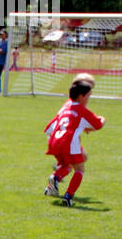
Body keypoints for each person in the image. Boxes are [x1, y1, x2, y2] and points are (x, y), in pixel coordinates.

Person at [43, 74, 104, 206]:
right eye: (89, 93)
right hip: (68, 142)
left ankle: (53, 182)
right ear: (81, 94)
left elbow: (51, 126)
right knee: (80, 168)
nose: (89, 96)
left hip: (55, 140)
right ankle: (68, 196)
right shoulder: (80, 108)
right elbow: (97, 124)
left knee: (71, 163)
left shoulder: (67, 106)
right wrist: (102, 120)